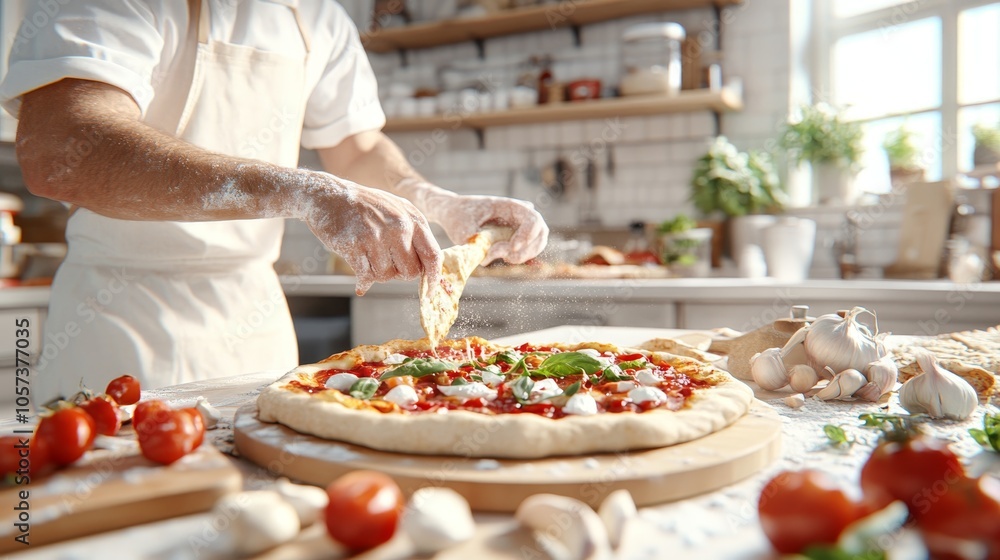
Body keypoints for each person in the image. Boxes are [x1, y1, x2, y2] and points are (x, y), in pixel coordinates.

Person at [0, 0, 548, 403]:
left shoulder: (318, 17)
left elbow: (356, 150)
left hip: (256, 322)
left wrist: (443, 204)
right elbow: (60, 149)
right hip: (124, 323)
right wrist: (306, 190)